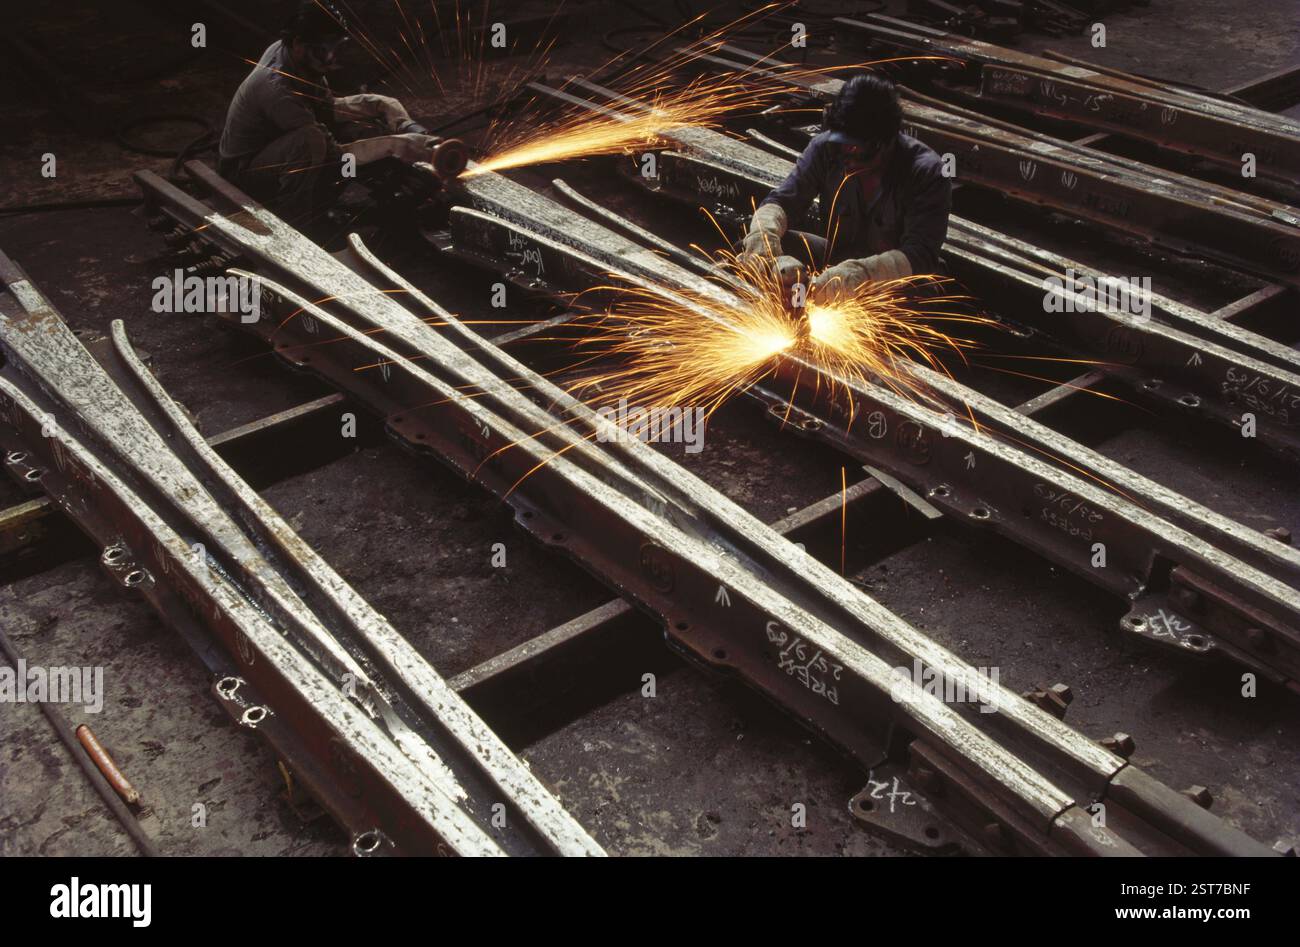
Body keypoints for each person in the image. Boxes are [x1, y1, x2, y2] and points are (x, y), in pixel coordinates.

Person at [218, 1, 437, 228]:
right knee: (309, 142)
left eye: (336, 48)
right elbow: (334, 155)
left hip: (276, 146)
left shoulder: (291, 53)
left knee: (373, 112)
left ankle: (330, 201)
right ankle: (296, 224)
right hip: (243, 176)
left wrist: (387, 109)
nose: (331, 58)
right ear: (299, 44)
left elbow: (327, 108)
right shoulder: (276, 88)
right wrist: (397, 145)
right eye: (322, 50)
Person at [739, 72, 952, 305]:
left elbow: (921, 255)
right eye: (843, 146)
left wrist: (861, 274)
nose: (848, 158)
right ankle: (789, 308)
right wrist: (763, 240)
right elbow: (782, 201)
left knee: (910, 299)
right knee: (760, 251)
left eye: (857, 150)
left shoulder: (926, 171)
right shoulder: (826, 148)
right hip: (836, 260)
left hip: (897, 283)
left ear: (886, 141)